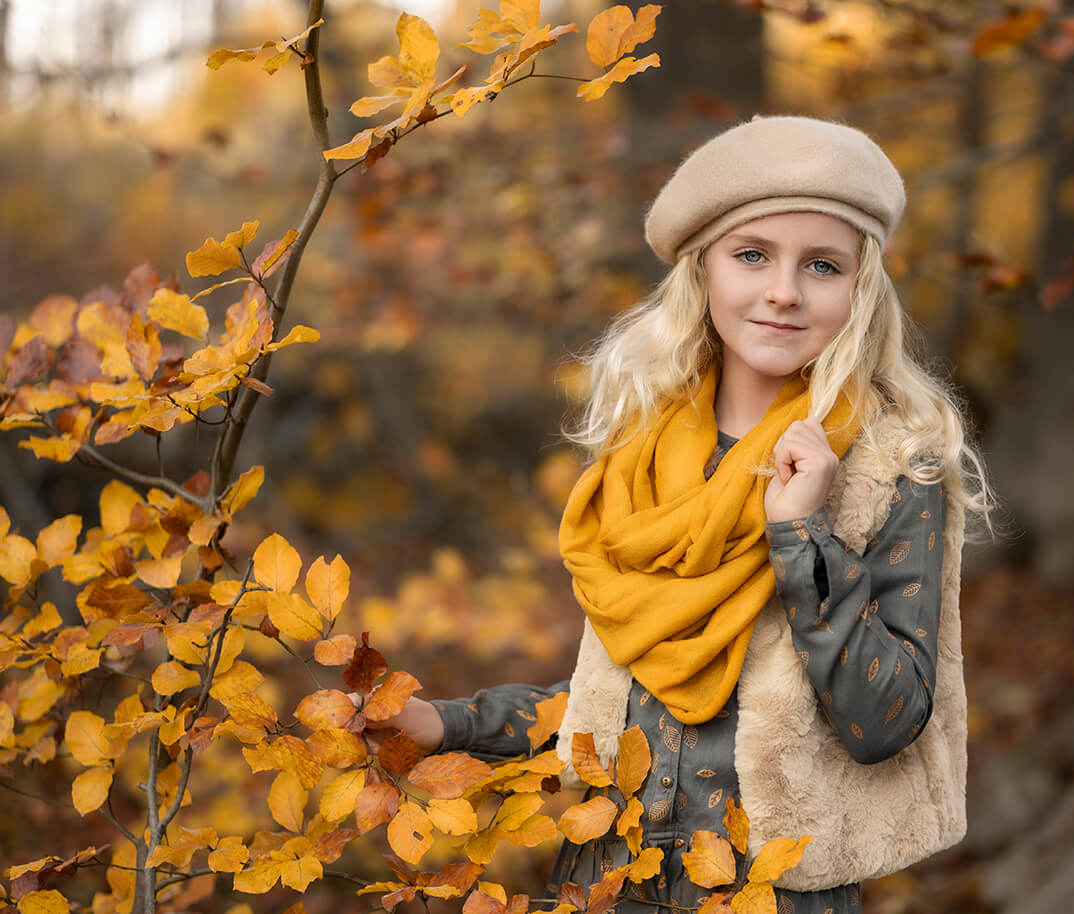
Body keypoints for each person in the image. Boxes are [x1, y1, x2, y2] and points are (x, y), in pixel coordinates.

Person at [366, 115, 995, 913]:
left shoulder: (892, 467)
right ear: (702, 270)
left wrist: (802, 536)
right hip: (603, 882)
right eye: (753, 254)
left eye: (824, 265)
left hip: (768, 893)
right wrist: (449, 726)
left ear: (862, 289)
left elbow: (887, 722)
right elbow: (622, 694)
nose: (783, 290)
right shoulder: (642, 451)